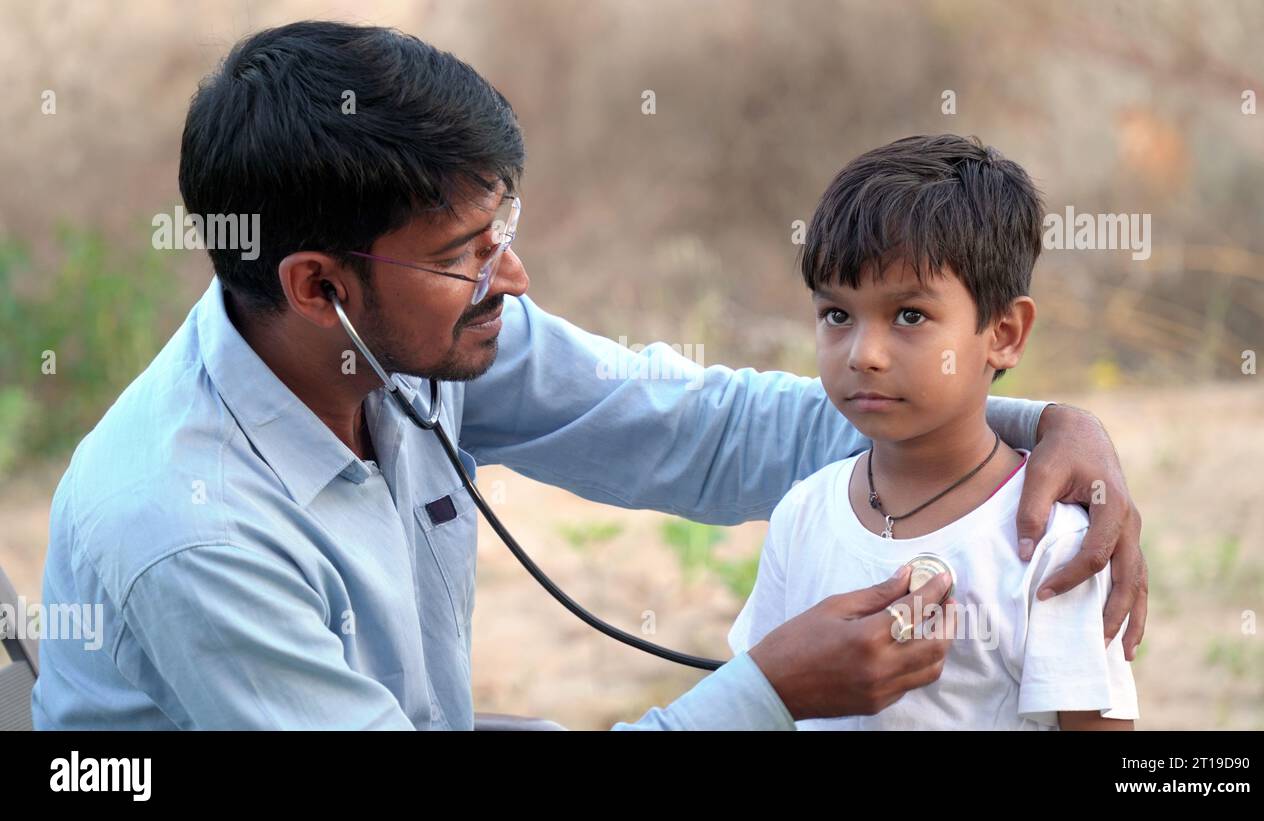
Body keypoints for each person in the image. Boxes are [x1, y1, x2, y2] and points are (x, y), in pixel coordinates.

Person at [32, 22, 1146, 730]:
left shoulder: (411, 338)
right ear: (320, 286)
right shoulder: (191, 532)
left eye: (499, 227)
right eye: (464, 253)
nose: (510, 275)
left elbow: (699, 430)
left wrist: (1033, 426)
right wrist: (764, 693)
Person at [729, 135, 1138, 730]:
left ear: (1004, 333)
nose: (863, 354)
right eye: (836, 315)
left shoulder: (1051, 546)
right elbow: (758, 705)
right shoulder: (802, 513)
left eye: (910, 316)